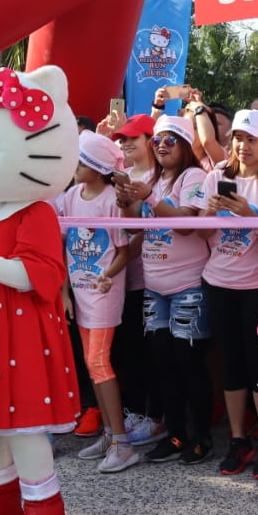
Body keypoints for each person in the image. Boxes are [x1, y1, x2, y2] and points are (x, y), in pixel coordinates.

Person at [118, 115, 213, 464]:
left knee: (189, 365)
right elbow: (134, 231)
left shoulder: (194, 176)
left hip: (188, 285)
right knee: (163, 365)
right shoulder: (149, 179)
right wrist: (128, 203)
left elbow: (186, 224)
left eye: (169, 140)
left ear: (185, 144)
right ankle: (174, 435)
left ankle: (200, 436)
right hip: (154, 287)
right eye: (156, 140)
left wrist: (148, 197)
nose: (160, 146)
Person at [200, 109, 258, 479]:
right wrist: (209, 214)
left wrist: (249, 214)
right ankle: (237, 439)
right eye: (238, 138)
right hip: (218, 281)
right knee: (231, 365)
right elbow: (201, 235)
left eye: (252, 139)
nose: (243, 146)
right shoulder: (216, 177)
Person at [57, 133, 139, 473]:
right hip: (79, 293)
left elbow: (123, 250)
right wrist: (64, 292)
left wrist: (108, 274)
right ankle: (109, 434)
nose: (73, 168)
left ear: (96, 167)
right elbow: (61, 245)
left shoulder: (110, 200)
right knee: (92, 367)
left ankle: (122, 442)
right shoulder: (71, 197)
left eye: (79, 162)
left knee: (99, 363)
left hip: (104, 295)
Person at [109, 113, 166, 448]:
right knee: (129, 350)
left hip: (154, 277)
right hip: (125, 279)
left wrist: (118, 261)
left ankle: (157, 417)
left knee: (153, 352)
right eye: (122, 140)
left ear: (151, 141)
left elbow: (147, 232)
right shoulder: (123, 177)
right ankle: (135, 412)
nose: (126, 144)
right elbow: (129, 227)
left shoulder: (161, 177)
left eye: (134, 138)